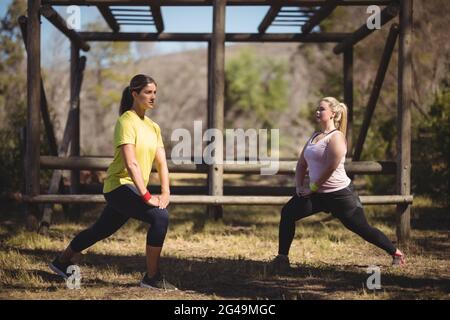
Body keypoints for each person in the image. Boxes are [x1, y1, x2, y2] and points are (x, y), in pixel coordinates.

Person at [49, 74, 177, 290]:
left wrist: (165, 192)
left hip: (132, 188)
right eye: (148, 92)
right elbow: (131, 163)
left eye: (155, 92)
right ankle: (151, 277)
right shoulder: (126, 121)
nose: (153, 97)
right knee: (160, 217)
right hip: (118, 186)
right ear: (134, 94)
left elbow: (162, 163)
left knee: (101, 230)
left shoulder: (153, 127)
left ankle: (62, 261)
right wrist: (147, 196)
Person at [269, 97, 405, 273]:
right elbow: (302, 164)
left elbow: (331, 167)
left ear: (333, 113)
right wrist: (299, 187)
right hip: (316, 193)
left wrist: (313, 187)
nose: (318, 112)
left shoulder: (337, 137)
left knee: (362, 228)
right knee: (288, 212)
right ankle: (282, 258)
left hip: (340, 195)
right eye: (317, 109)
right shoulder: (314, 137)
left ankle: (396, 253)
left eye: (322, 109)